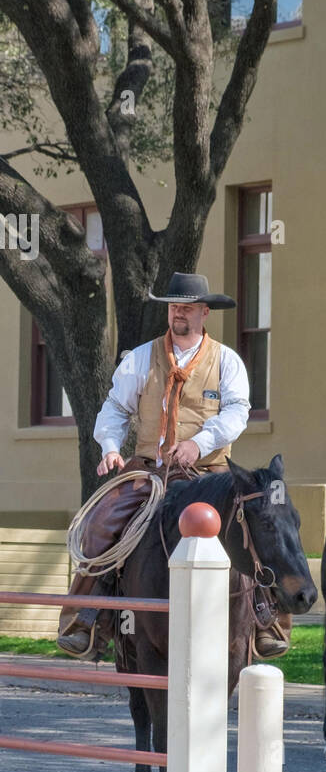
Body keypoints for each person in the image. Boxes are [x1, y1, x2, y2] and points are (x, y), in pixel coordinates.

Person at [57, 271, 290, 659]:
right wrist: (112, 447)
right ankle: (87, 619)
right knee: (104, 522)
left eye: (186, 307)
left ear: (204, 313)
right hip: (152, 471)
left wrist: (199, 444)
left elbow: (237, 412)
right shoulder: (140, 358)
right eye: (174, 307)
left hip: (210, 472)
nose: (178, 313)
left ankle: (266, 619)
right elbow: (115, 407)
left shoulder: (226, 361)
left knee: (257, 524)